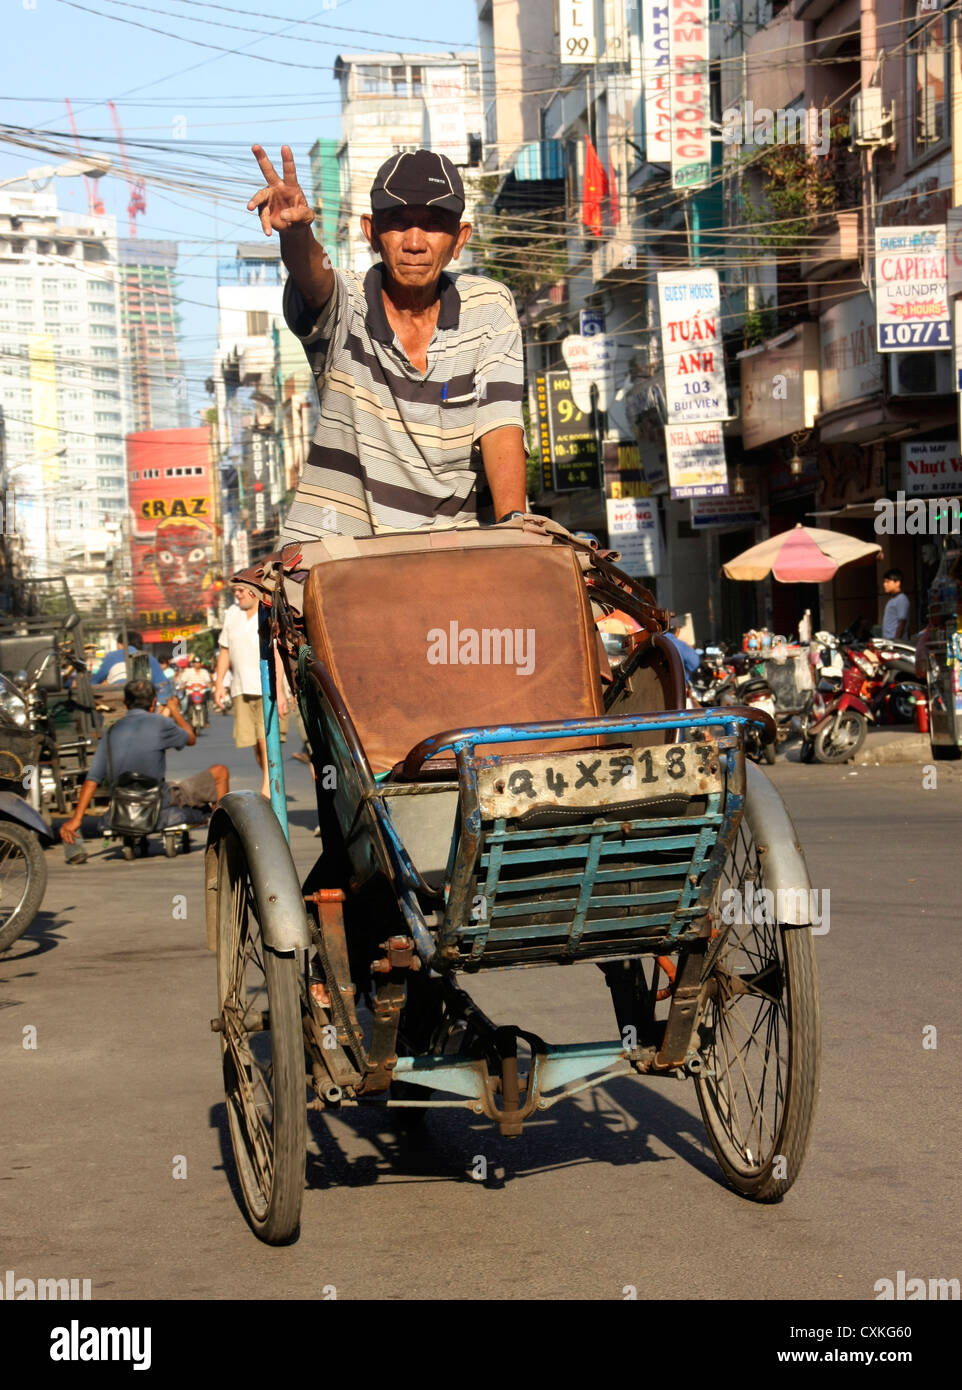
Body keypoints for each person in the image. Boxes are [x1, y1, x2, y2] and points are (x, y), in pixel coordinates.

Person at [247, 144, 528, 541]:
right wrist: (297, 235)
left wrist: (516, 536)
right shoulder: (347, 304)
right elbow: (315, 279)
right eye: (398, 222)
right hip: (340, 555)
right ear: (372, 234)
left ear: (459, 239)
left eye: (433, 223)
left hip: (455, 552)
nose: (415, 241)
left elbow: (500, 424)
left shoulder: (488, 306)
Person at [60, 679, 229, 844]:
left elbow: (92, 780)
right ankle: (223, 834)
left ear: (125, 704)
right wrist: (175, 710)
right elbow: (191, 738)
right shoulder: (161, 723)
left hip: (122, 801)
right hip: (158, 799)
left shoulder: (111, 732)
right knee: (220, 772)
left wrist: (77, 819)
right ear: (154, 703)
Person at [213, 584, 288, 798]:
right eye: (234, 591)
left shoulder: (270, 610)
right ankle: (270, 780)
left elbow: (277, 650)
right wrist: (219, 684)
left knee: (266, 738)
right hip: (241, 687)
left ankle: (268, 788)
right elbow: (225, 650)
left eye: (240, 590)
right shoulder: (232, 613)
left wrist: (280, 690)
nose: (236, 594)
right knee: (255, 744)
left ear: (252, 590)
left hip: (268, 686)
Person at [92, 633, 176, 710]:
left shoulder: (111, 657)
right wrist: (158, 711)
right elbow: (163, 687)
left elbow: (95, 681)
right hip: (144, 709)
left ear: (120, 644)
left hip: (118, 710)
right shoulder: (149, 659)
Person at [882, 568, 910, 641]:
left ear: (897, 583)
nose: (885, 584)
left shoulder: (902, 599)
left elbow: (902, 623)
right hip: (888, 641)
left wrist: (896, 642)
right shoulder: (892, 600)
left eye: (887, 582)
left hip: (895, 643)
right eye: (884, 582)